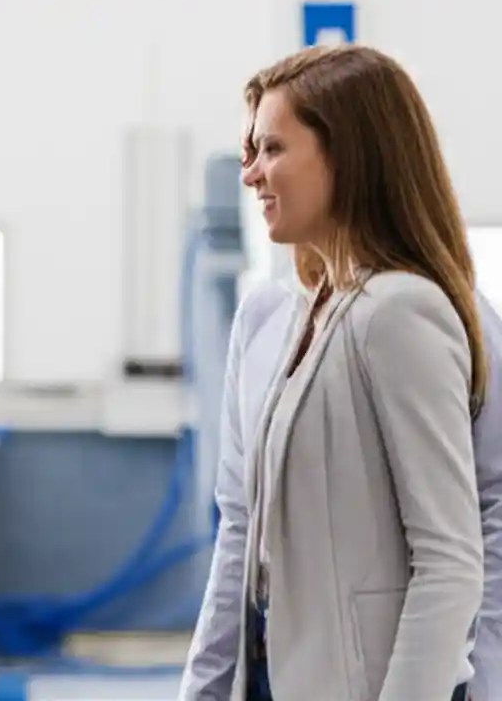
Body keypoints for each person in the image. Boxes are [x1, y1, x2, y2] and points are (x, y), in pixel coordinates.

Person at [178, 44, 489, 700]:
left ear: (346, 154)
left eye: (272, 149)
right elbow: (241, 534)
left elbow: (450, 561)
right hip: (275, 676)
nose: (251, 175)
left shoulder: (402, 312)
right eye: (249, 152)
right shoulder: (289, 315)